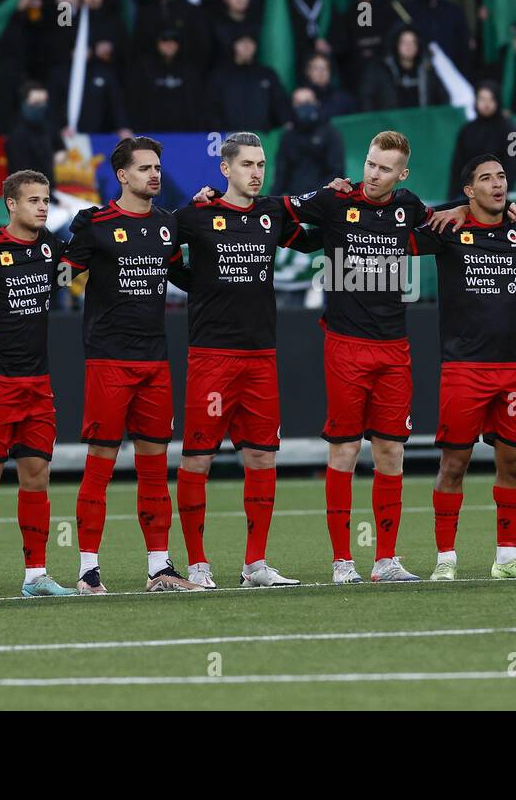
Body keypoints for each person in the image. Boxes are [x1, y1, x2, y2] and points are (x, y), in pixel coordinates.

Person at [280, 131, 436, 584]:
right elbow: (276, 210)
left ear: (401, 174)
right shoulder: (335, 201)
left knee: (391, 451)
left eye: (384, 168)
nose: (373, 174)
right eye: (370, 163)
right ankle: (342, 562)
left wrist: (466, 208)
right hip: (346, 345)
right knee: (345, 449)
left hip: (395, 348)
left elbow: (445, 220)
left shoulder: (409, 207)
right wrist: (216, 198)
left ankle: (386, 560)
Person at [172, 133, 323, 588]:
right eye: (247, 165)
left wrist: (349, 214)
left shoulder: (272, 213)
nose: (256, 173)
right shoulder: (196, 215)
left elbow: (310, 243)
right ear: (225, 169)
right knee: (198, 459)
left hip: (261, 356)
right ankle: (198, 564)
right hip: (212, 356)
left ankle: (255, 564)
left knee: (261, 458)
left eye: (261, 164)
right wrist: (196, 282)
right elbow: (157, 253)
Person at [60, 137, 199, 593]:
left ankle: (159, 568)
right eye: (144, 168)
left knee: (155, 466)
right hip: (108, 360)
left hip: (155, 361)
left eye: (157, 167)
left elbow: (182, 273)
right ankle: (86, 571)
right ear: (122, 175)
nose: (154, 175)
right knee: (100, 461)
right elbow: (61, 273)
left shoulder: (166, 224)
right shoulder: (96, 224)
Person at [409, 156, 516, 581]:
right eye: (485, 179)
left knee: (513, 464)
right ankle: (445, 560)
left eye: (502, 177)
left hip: (514, 368)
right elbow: (397, 228)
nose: (497, 185)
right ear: (470, 190)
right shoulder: (449, 229)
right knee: (453, 465)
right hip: (464, 368)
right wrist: (453, 207)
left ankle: (507, 558)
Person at [0, 171, 75, 598]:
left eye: (46, 200)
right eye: (33, 200)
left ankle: (36, 575)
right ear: (11, 204)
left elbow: (86, 257)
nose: (43, 207)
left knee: (37, 475)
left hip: (38, 382)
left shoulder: (51, 248)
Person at [448, 84, 516, 199]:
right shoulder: (466, 130)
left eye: (491, 99)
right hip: (467, 196)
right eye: (482, 99)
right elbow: (457, 167)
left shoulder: (513, 132)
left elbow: (513, 166)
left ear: (498, 101)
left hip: (496, 195)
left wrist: (499, 191)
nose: (486, 104)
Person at [274, 88, 344, 196]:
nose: (303, 107)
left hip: (324, 198)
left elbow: (337, 171)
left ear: (316, 103)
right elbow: (281, 174)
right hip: (296, 200)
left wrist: (315, 195)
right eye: (299, 103)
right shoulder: (288, 136)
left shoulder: (329, 132)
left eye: (307, 102)